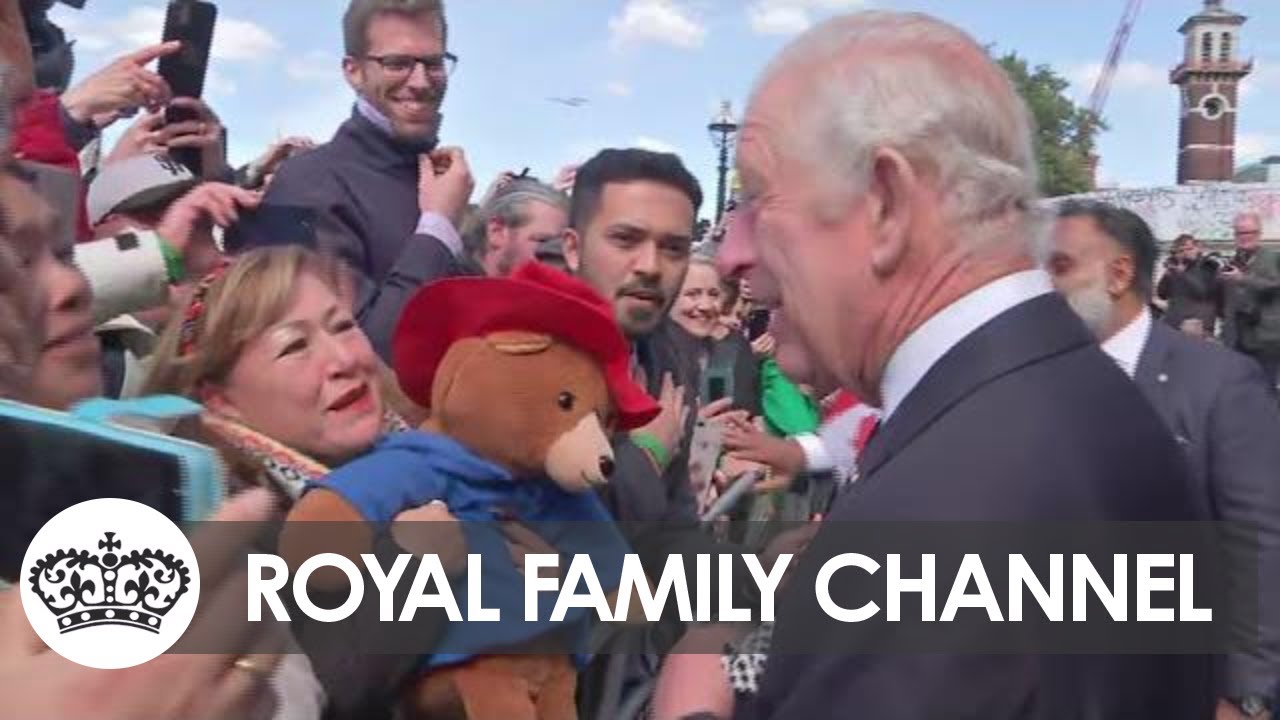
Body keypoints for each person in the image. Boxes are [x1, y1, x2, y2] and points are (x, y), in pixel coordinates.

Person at [715, 11, 1211, 719]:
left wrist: (693, 694)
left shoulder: (935, 512)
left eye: (757, 198)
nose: (733, 251)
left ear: (885, 203)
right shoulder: (1089, 403)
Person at [1050, 199, 1280, 720]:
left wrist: (1246, 695)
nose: (1043, 286)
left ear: (1119, 274)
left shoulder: (1218, 383)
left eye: (1060, 267)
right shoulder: (1034, 384)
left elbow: (1259, 543)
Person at [252, 0, 475, 359]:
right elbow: (353, 356)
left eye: (433, 63)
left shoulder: (437, 182)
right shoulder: (307, 184)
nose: (420, 82)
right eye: (397, 63)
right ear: (353, 71)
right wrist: (437, 229)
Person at [461, 174, 569, 277]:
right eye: (544, 241)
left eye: (561, 247)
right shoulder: (450, 290)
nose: (558, 258)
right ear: (497, 231)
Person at [1220, 212, 1280, 391]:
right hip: (1238, 337)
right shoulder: (1234, 260)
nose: (1245, 237)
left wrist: (1243, 279)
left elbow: (1274, 285)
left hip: (1266, 338)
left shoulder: (1273, 257)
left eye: (1250, 232)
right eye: (1240, 233)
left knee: (1265, 388)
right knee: (1241, 389)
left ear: (1259, 233)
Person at [1157, 233, 1222, 336]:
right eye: (1181, 251)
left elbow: (1203, 292)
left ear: (1197, 248)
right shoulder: (1177, 267)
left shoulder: (1209, 266)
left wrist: (1183, 275)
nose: (1185, 253)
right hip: (1174, 325)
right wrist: (1167, 276)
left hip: (1198, 327)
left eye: (1189, 249)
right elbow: (1162, 294)